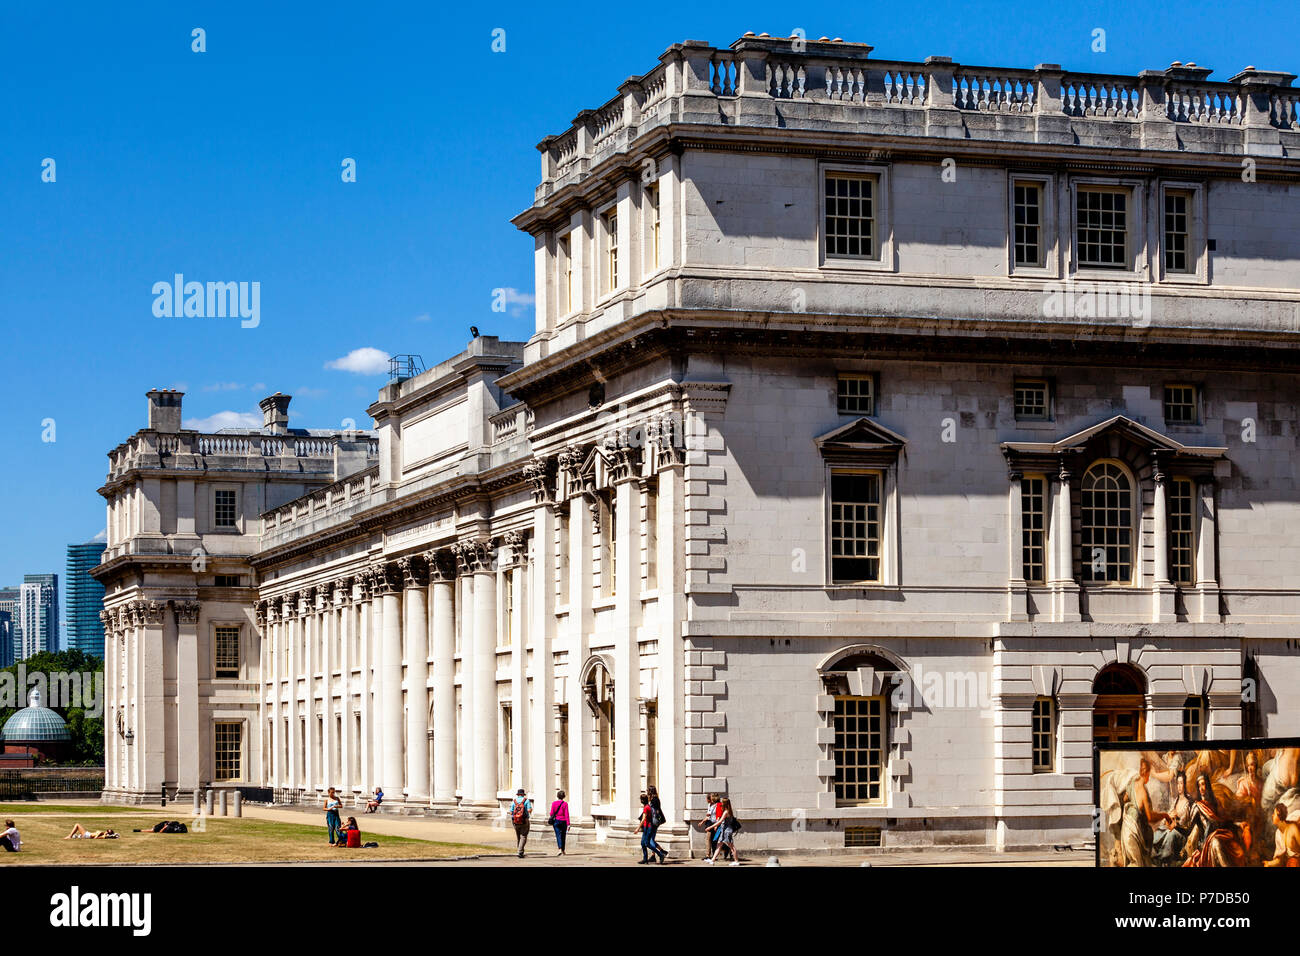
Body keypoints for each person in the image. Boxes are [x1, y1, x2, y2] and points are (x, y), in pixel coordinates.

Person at [706, 797, 741, 865]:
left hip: (726, 831)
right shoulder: (728, 811)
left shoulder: (726, 812)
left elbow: (719, 822)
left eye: (722, 802)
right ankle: (712, 860)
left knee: (732, 847)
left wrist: (710, 827)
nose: (721, 803)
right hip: (724, 830)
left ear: (724, 803)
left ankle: (736, 861)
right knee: (719, 845)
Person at [647, 785, 668, 862]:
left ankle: (661, 852)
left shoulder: (654, 800)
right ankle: (654, 856)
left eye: (648, 791)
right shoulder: (655, 799)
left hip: (653, 822)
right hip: (655, 822)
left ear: (650, 792)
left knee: (650, 840)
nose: (647, 792)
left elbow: (653, 812)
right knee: (652, 839)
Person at [510, 788, 533, 858]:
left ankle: (520, 851)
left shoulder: (514, 801)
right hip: (524, 820)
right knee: (523, 836)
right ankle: (520, 851)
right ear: (523, 794)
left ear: (518, 794)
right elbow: (529, 810)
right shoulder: (526, 800)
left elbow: (511, 811)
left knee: (518, 836)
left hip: (515, 820)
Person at [697, 792, 721, 859]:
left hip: (716, 824)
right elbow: (708, 816)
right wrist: (702, 822)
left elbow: (718, 816)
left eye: (708, 799)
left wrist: (716, 825)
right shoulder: (709, 805)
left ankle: (714, 855)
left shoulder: (718, 805)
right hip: (710, 823)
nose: (707, 800)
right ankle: (708, 855)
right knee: (708, 838)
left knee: (715, 840)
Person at [547, 790, 570, 856]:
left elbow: (551, 813)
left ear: (557, 796)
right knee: (563, 836)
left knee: (558, 835)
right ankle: (563, 850)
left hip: (556, 821)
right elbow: (566, 814)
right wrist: (568, 824)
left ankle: (560, 849)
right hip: (563, 821)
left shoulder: (554, 803)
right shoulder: (565, 804)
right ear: (564, 796)